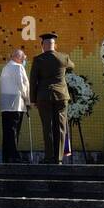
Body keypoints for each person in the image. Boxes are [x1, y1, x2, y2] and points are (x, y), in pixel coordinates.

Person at [29, 34, 73, 164]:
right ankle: (58, 158)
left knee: (47, 127)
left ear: (43, 46)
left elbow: (33, 81)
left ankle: (49, 157)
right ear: (55, 45)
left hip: (44, 96)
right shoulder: (64, 57)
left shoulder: (38, 59)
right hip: (61, 96)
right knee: (60, 127)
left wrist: (33, 99)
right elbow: (72, 66)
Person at [0, 49, 30, 163]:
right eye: (23, 59)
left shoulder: (5, 68)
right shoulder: (18, 67)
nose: (23, 61)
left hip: (5, 104)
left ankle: (6, 156)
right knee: (14, 130)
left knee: (7, 130)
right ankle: (14, 156)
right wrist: (27, 100)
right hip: (16, 103)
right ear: (18, 57)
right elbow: (23, 85)